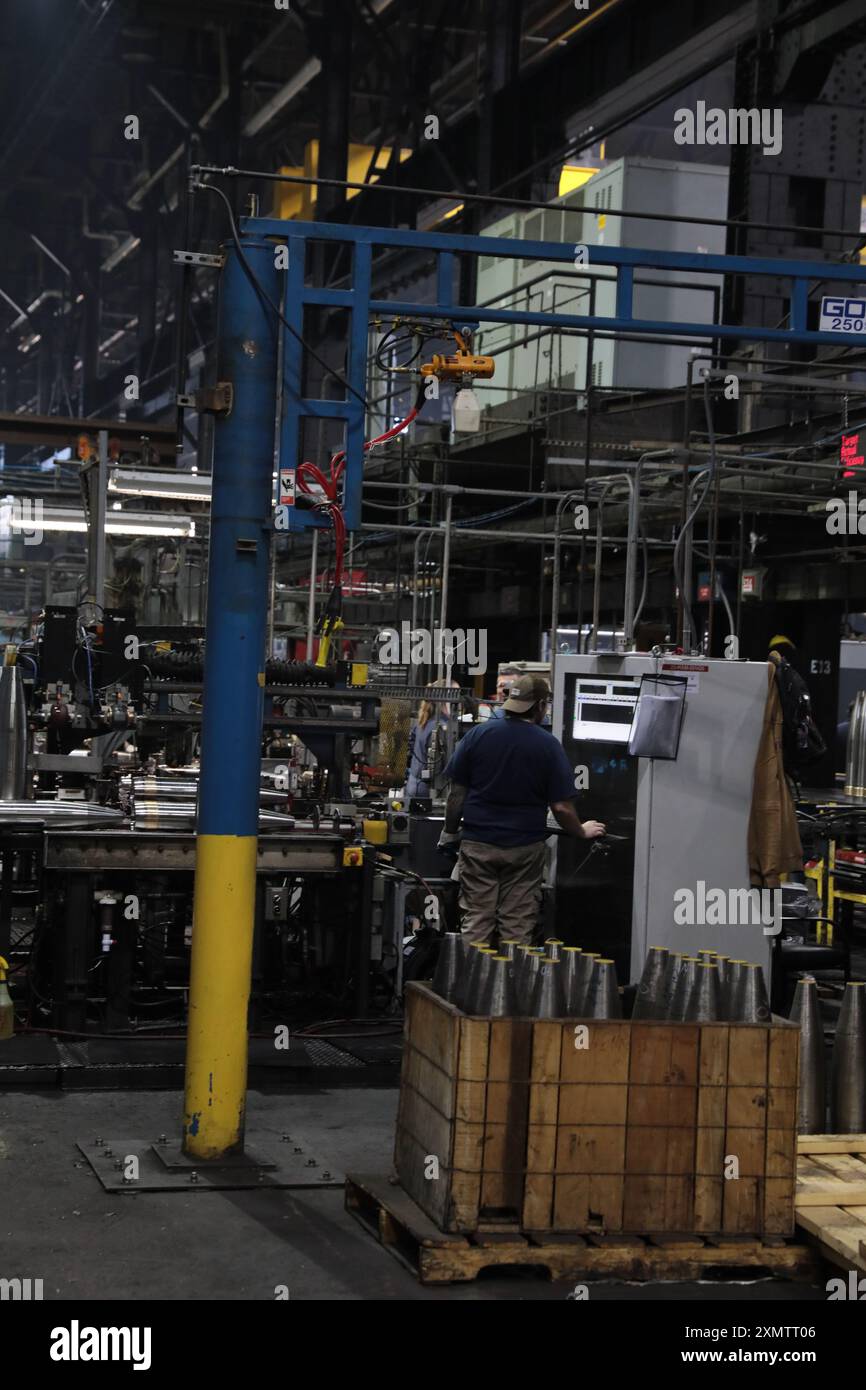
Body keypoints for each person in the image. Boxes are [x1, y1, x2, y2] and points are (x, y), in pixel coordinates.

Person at [438, 673, 605, 945]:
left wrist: (449, 831)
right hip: (523, 849)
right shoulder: (548, 745)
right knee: (516, 927)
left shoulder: (479, 735)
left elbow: (456, 795)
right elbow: (562, 808)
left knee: (477, 922)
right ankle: (509, 985)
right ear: (540, 706)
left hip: (478, 845)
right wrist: (581, 831)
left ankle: (470, 985)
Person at [405, 678, 458, 801]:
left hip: (413, 784)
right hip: (429, 790)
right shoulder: (442, 726)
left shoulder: (423, 721)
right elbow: (443, 764)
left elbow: (411, 745)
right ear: (446, 698)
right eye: (456, 694)